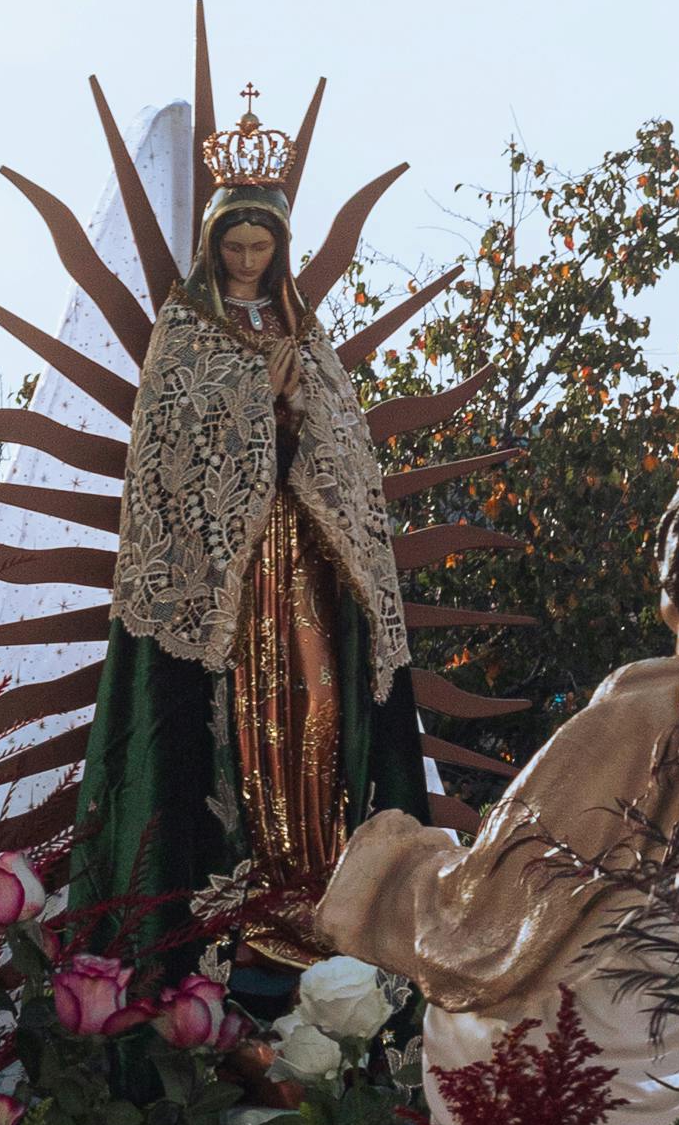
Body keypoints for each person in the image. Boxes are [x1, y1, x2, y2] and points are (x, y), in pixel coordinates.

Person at [318, 463, 679, 1125]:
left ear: (670, 581)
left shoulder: (641, 715)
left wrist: (388, 862)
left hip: (634, 1112)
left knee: (461, 1020)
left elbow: (484, 915)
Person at [67, 118, 429, 951]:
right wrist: (249, 406)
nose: (245, 262)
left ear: (280, 248)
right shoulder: (185, 334)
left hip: (301, 559)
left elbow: (346, 455)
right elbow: (165, 458)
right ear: (212, 244)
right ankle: (243, 877)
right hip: (219, 579)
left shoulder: (306, 337)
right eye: (233, 244)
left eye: (260, 246)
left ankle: (315, 870)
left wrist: (296, 410)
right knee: (236, 714)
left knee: (318, 706)